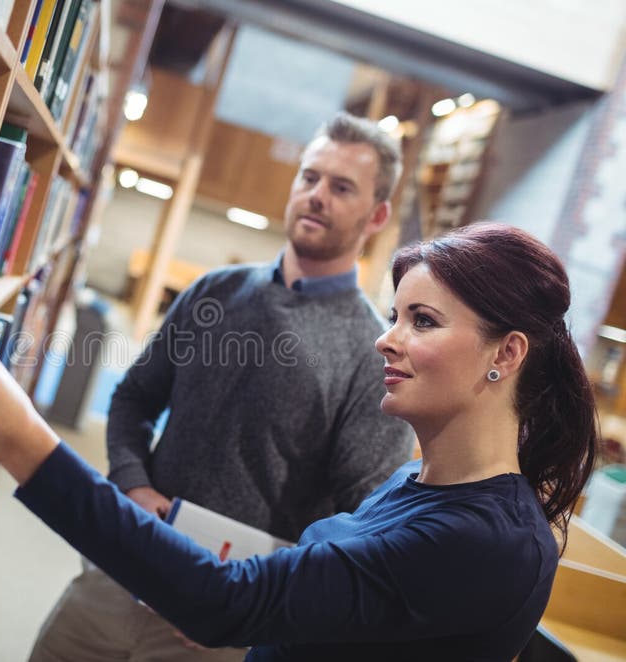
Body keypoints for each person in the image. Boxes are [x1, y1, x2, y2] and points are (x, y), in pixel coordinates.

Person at [0, 220, 597, 660]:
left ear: (505, 354)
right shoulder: (418, 484)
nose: (387, 339)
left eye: (423, 321)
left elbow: (224, 601)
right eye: (395, 315)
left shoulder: (485, 542)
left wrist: (18, 439)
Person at [26, 112, 415, 661]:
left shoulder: (373, 354)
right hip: (119, 574)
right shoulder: (215, 292)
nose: (317, 195)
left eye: (341, 186)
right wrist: (134, 482)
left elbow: (364, 521)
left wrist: (262, 606)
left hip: (217, 629)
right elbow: (134, 398)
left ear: (377, 215)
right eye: (309, 177)